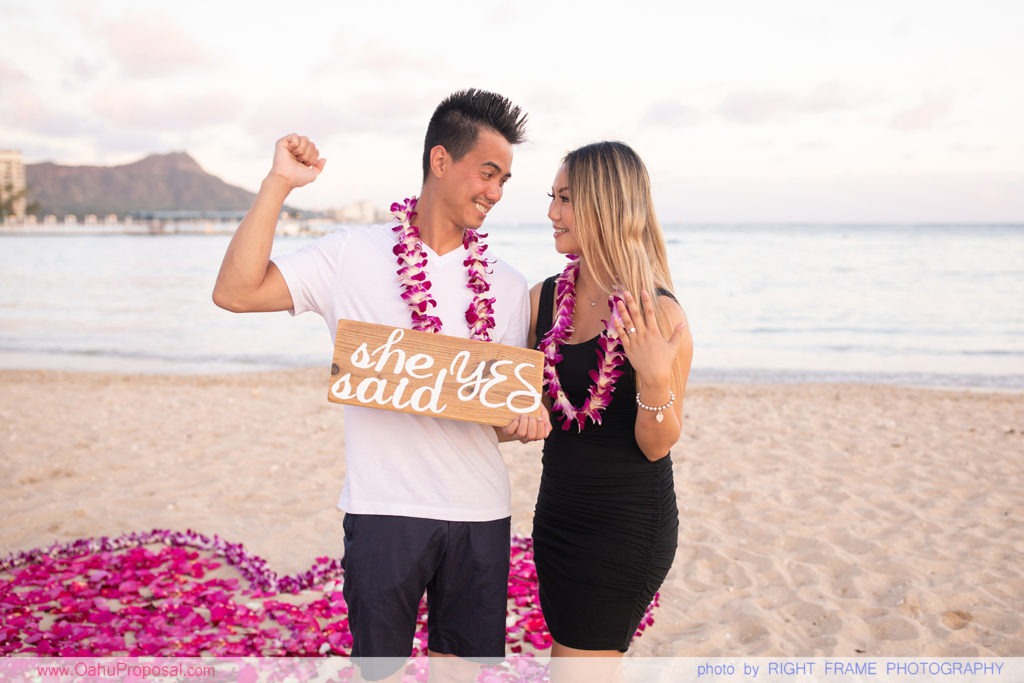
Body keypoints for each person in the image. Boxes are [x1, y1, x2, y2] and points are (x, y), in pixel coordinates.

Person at [213, 88, 551, 680]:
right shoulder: (350, 255)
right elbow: (235, 292)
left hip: (481, 513)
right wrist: (277, 186)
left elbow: (494, 418)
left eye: (505, 180)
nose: (496, 193)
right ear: (440, 161)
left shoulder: (507, 285)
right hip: (383, 509)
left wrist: (524, 421)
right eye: (487, 173)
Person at [528, 141, 692, 675]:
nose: (552, 213)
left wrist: (654, 373)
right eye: (552, 197)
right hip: (556, 519)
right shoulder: (543, 300)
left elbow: (657, 442)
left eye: (566, 199)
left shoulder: (658, 312)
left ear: (606, 205)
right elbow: (515, 409)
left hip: (624, 526)